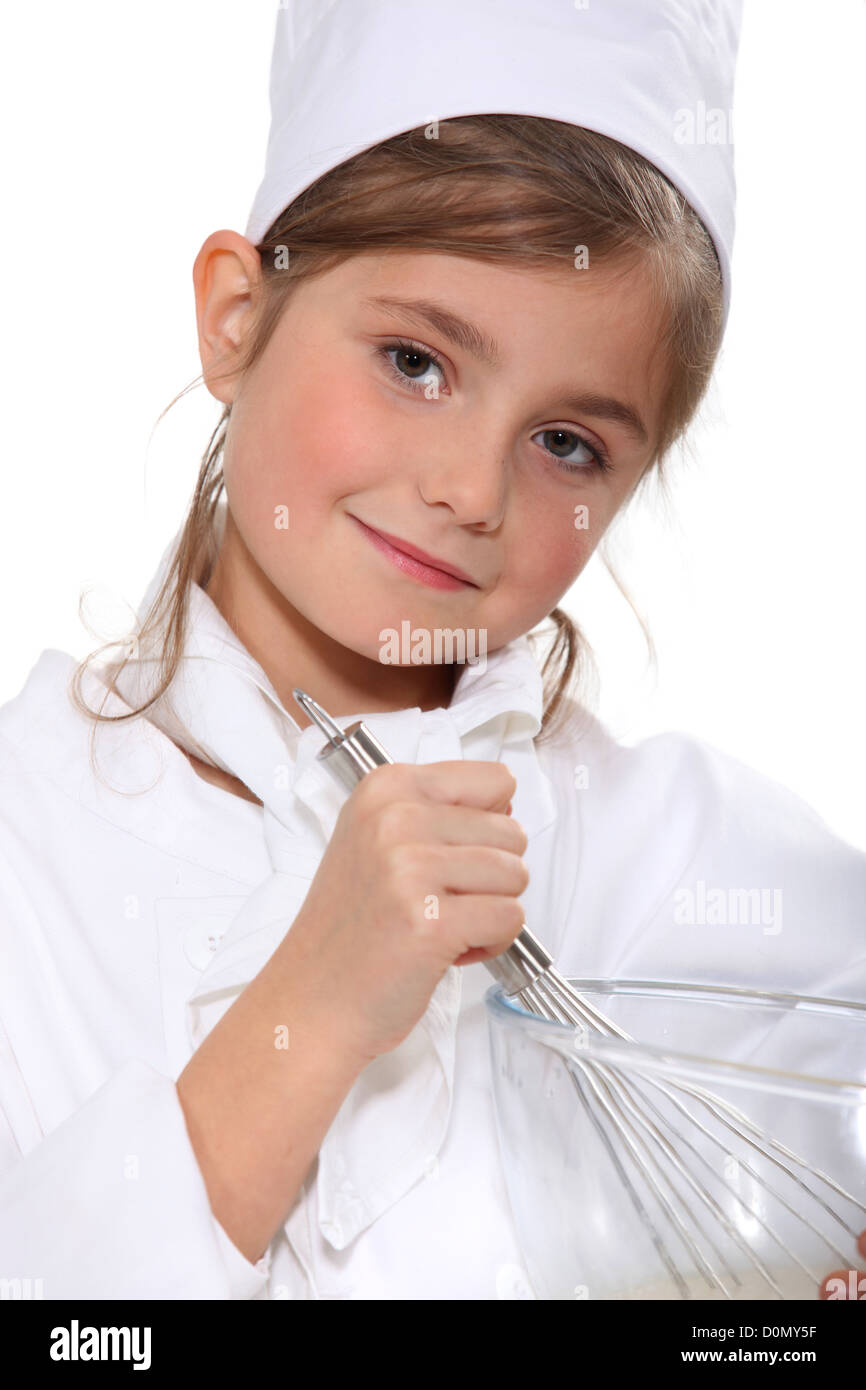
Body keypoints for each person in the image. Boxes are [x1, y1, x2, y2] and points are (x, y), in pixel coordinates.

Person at [0, 0, 863, 1301]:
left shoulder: (706, 864)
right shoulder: (32, 844)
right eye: (414, 360)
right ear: (235, 316)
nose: (472, 488)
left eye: (567, 442)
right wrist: (319, 998)